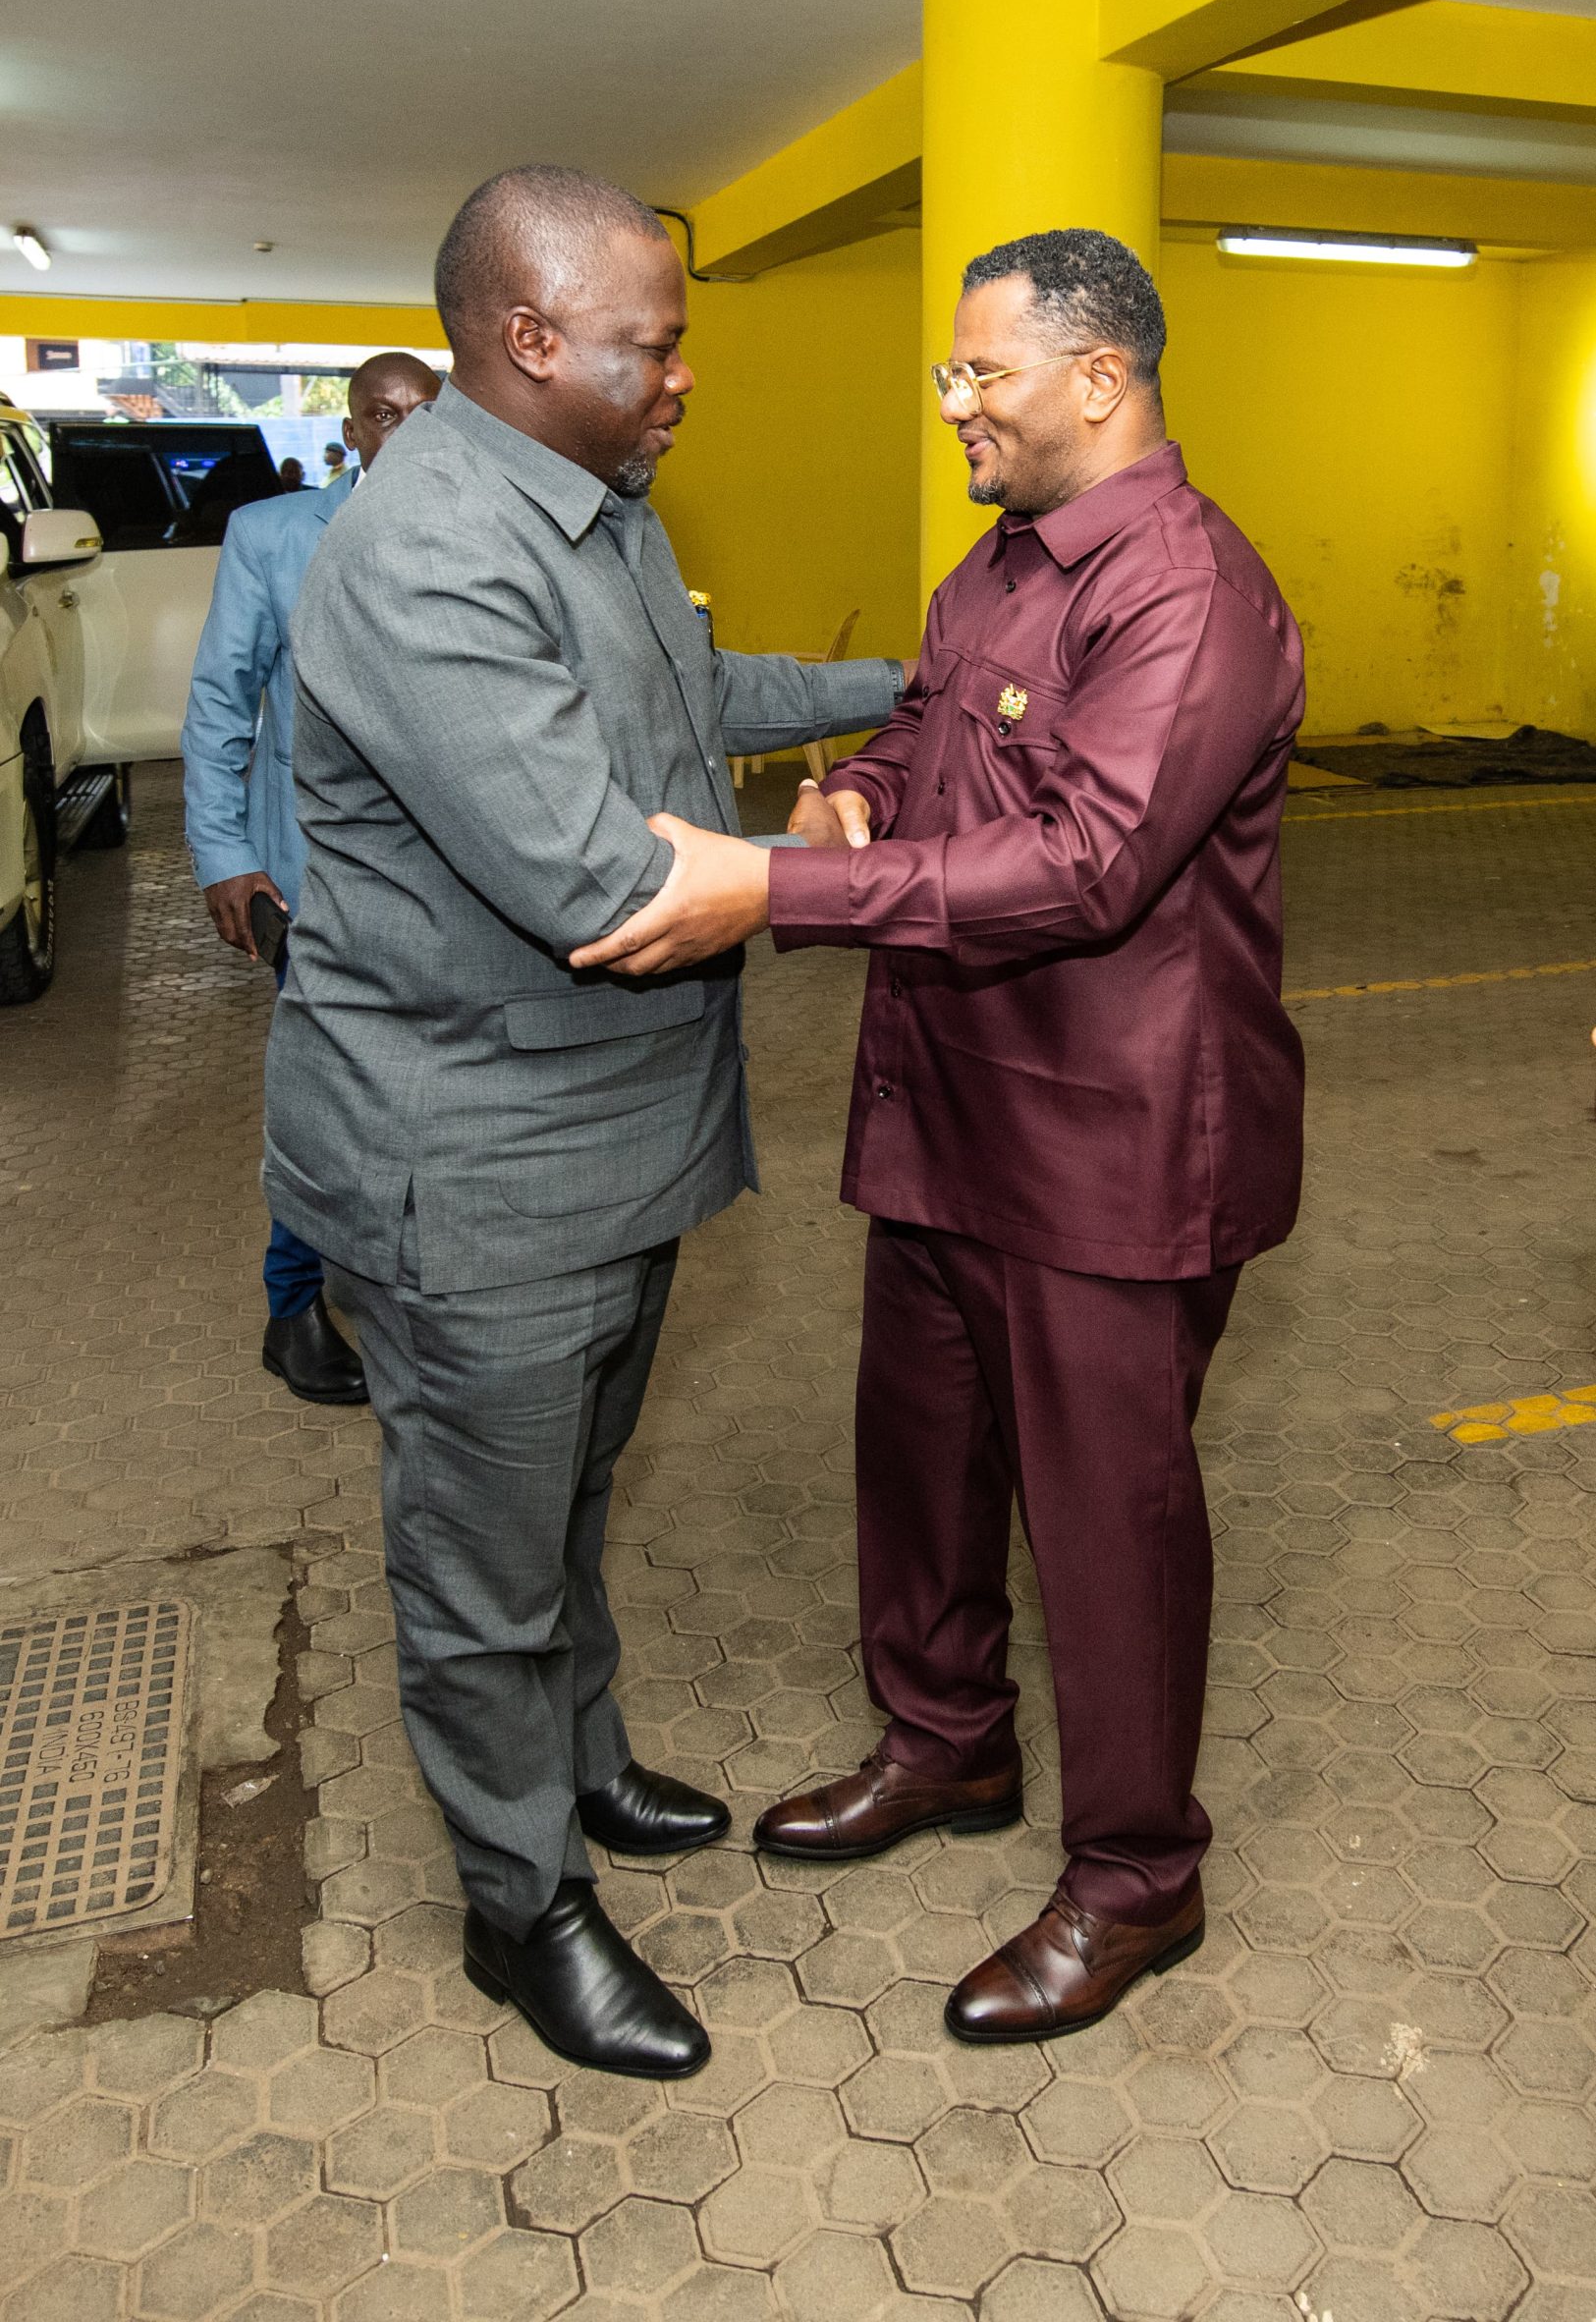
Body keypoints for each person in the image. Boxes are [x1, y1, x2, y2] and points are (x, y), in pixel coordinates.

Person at [570, 226, 1307, 2044]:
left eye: (982, 371)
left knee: (1109, 1523)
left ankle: (1136, 1875)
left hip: (1112, 1149)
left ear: (1101, 379)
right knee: (918, 1457)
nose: (956, 403)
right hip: (949, 1104)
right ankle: (947, 1741)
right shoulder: (997, 561)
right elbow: (922, 733)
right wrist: (851, 797)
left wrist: (777, 887)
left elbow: (1087, 863)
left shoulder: (1189, 591)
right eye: (949, 372)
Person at [263, 163, 910, 2080]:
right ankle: (517, 1901)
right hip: (474, 1164)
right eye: (654, 344)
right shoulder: (424, 551)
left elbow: (696, 699)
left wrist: (918, 684)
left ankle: (582, 1759)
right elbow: (595, 880)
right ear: (528, 340)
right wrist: (839, 874)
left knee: (564, 1496)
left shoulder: (602, 502)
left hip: (611, 1137)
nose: (684, 374)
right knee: (479, 1559)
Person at [181, 353, 443, 1404]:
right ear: (352, 430)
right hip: (314, 882)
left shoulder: (478, 523)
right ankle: (292, 1310)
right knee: (328, 1101)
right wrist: (226, 855)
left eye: (425, 412)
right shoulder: (274, 535)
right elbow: (222, 702)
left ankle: (421, 1293)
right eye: (384, 414)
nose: (405, 430)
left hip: (451, 884)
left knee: (434, 1102)